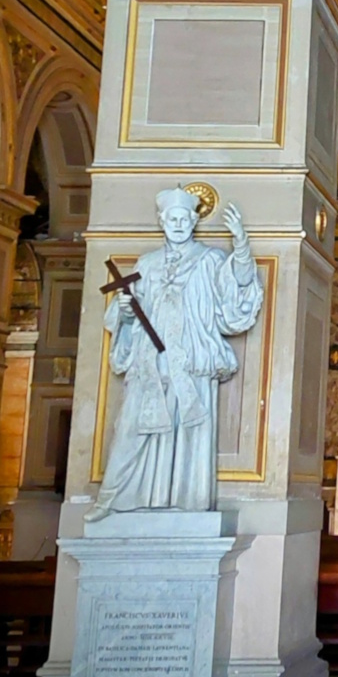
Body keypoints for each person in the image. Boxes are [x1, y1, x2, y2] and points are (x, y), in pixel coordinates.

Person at [85, 187, 261, 521]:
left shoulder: (209, 260)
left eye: (184, 219)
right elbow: (127, 311)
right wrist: (125, 311)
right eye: (172, 219)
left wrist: (240, 243)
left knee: (188, 433)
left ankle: (186, 504)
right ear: (162, 222)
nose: (178, 225)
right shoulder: (147, 264)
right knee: (130, 427)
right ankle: (112, 499)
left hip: (191, 362)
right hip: (149, 361)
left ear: (194, 221)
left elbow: (236, 286)